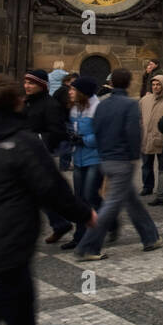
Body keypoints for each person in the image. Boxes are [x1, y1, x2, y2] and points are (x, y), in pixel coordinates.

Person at [0, 75, 96, 325]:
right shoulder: (23, 141)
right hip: (12, 233)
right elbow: (52, 187)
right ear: (17, 102)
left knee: (19, 304)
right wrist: (85, 214)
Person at [74, 69, 163, 260]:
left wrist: (104, 152)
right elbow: (132, 132)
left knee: (131, 200)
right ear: (129, 83)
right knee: (112, 205)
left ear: (112, 83)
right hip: (122, 160)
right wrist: (133, 155)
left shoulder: (102, 105)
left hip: (105, 158)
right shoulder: (129, 104)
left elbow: (96, 129)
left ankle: (150, 237)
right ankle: (88, 247)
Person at [21, 69, 73, 244]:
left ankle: (61, 223)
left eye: (31, 83)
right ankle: (60, 223)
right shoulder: (26, 102)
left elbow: (57, 131)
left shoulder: (50, 105)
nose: (27, 86)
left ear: (41, 85)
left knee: (36, 193)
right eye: (26, 82)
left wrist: (39, 140)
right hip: (24, 154)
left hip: (39, 155)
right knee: (37, 194)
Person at [64, 76, 102, 252]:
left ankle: (95, 235)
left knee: (90, 196)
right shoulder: (74, 108)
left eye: (73, 89)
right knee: (79, 198)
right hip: (78, 157)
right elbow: (72, 129)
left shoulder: (96, 108)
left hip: (94, 158)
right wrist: (71, 136)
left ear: (82, 93)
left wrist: (83, 139)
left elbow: (101, 135)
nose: (70, 92)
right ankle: (79, 236)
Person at [140, 73, 163, 206]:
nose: (155, 87)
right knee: (146, 165)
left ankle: (161, 190)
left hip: (161, 138)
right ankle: (147, 187)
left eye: (158, 84)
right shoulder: (145, 100)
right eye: (153, 84)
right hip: (146, 137)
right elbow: (139, 116)